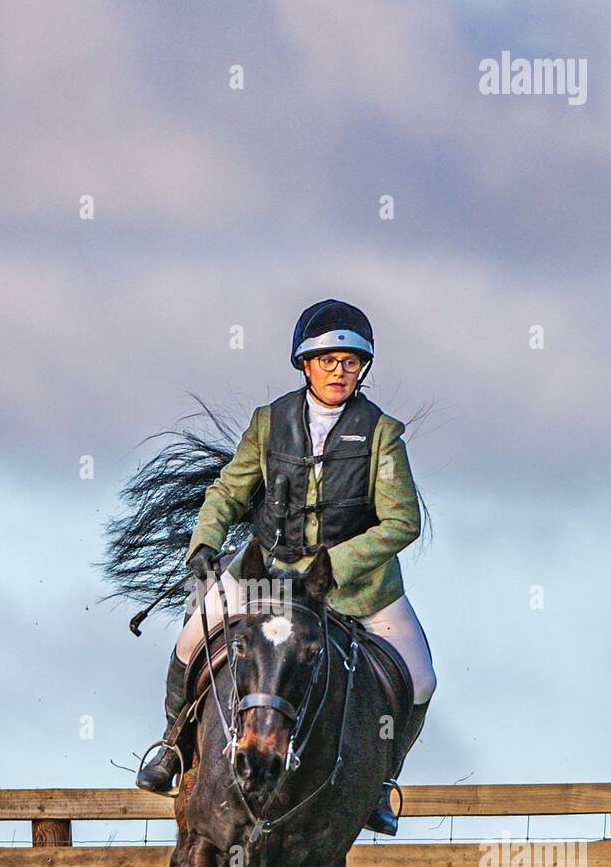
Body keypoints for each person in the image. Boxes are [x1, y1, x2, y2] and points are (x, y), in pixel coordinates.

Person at [135, 299, 436, 834]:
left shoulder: (383, 433)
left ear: (363, 367)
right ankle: (172, 749)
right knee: (188, 643)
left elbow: (401, 522)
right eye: (327, 361)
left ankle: (379, 782)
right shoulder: (268, 422)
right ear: (305, 365)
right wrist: (203, 544)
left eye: (349, 361)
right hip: (265, 571)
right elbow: (229, 491)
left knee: (420, 680)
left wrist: (333, 564)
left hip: (356, 587)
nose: (339, 371)